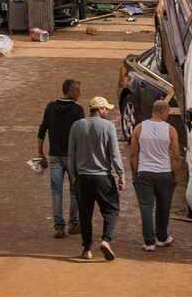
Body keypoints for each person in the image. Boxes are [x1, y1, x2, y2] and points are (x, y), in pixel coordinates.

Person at [67, 96, 125, 261]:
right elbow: (114, 154)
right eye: (106, 109)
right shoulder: (108, 126)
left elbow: (71, 153)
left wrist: (72, 175)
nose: (107, 111)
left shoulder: (77, 125)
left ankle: (87, 250)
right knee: (112, 210)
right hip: (103, 177)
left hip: (82, 178)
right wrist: (121, 174)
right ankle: (106, 240)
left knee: (85, 214)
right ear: (100, 110)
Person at [129, 100, 182, 251]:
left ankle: (149, 241)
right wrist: (175, 176)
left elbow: (133, 154)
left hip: (144, 173)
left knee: (146, 208)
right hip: (164, 173)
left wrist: (135, 174)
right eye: (167, 112)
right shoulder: (170, 130)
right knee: (164, 207)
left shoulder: (139, 128)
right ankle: (162, 237)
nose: (168, 115)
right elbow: (176, 157)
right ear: (161, 112)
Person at [38, 79, 85, 238]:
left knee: (56, 192)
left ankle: (59, 227)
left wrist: (40, 152)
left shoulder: (50, 107)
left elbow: (42, 130)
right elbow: (81, 135)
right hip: (72, 157)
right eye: (78, 91)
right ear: (70, 92)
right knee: (74, 191)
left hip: (54, 156)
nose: (80, 93)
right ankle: (74, 223)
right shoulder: (78, 110)